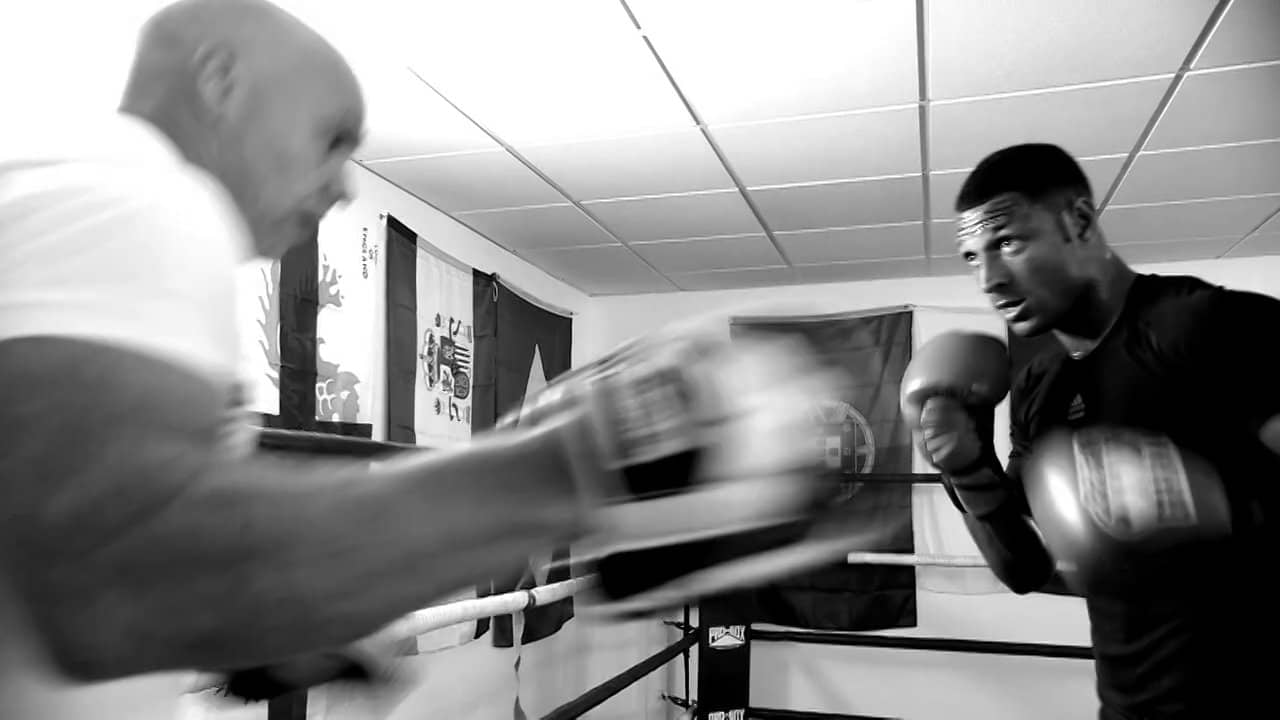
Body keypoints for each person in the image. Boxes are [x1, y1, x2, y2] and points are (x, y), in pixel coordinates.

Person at [0, 1, 836, 718]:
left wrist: (286, 616)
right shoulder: (135, 193)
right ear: (220, 80)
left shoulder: (66, 210)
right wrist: (587, 458)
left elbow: (76, 558)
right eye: (332, 139)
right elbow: (112, 585)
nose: (345, 185)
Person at [908, 143, 1280, 719]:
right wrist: (966, 470)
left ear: (1079, 221)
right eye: (972, 257)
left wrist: (1222, 509)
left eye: (1008, 243)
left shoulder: (1207, 325)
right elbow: (1024, 569)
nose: (989, 279)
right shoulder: (1040, 386)